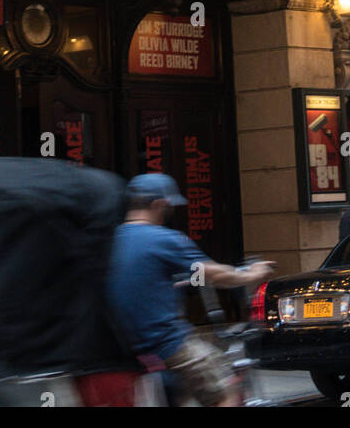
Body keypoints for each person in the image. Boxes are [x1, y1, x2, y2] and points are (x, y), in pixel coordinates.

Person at [106, 173, 275, 407]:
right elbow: (213, 274)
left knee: (181, 393)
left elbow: (182, 273)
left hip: (122, 345)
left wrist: (181, 280)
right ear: (159, 205)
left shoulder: (111, 239)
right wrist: (250, 274)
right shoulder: (164, 238)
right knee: (225, 391)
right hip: (165, 342)